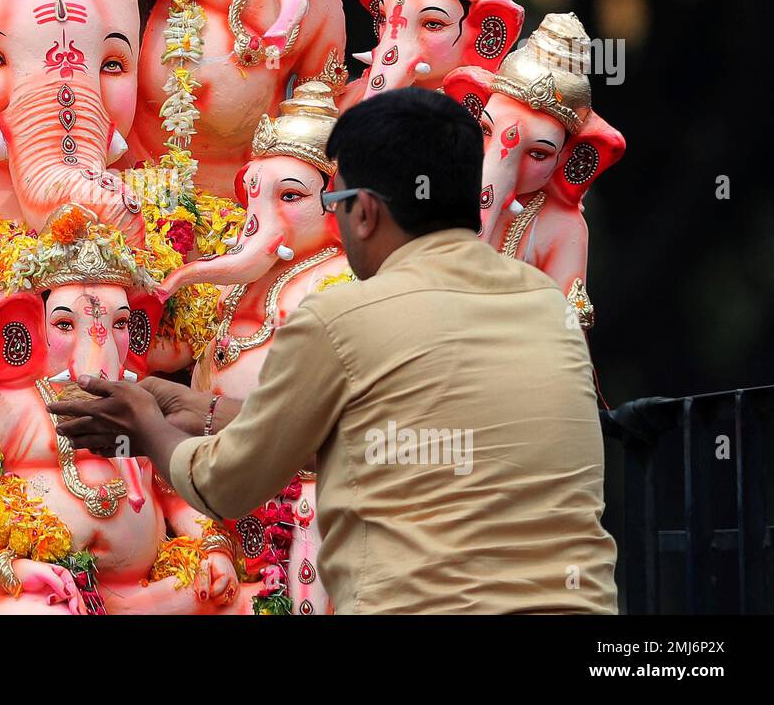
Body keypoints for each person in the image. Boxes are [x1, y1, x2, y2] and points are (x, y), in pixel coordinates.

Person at [49, 87, 618, 613]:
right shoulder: (549, 308)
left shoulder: (341, 315)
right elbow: (412, 446)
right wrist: (211, 413)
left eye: (335, 200)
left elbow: (224, 485)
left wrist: (145, 425)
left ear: (363, 210)